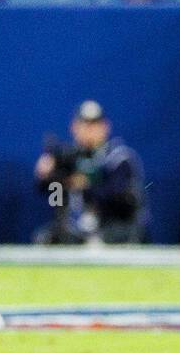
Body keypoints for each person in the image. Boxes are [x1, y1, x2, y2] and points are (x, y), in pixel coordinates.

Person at [34, 100, 148, 245]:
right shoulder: (68, 157)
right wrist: (46, 175)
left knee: (97, 243)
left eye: (94, 125)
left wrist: (84, 184)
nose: (89, 130)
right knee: (46, 238)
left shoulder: (118, 158)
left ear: (105, 127)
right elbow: (52, 194)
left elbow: (117, 196)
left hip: (115, 229)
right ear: (74, 127)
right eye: (84, 125)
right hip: (77, 230)